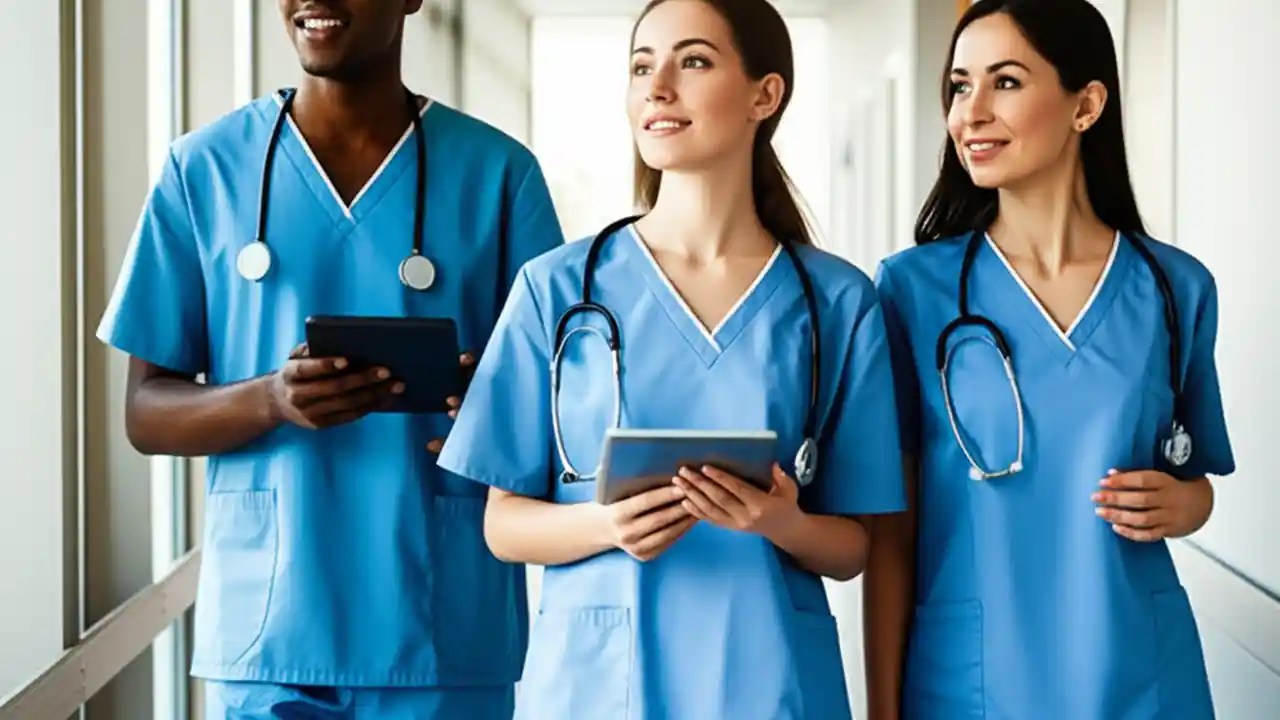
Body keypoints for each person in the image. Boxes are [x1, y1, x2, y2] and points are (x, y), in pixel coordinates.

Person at [437, 0, 905, 717]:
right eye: (640, 66)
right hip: (597, 689)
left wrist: (780, 522)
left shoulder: (837, 301)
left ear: (765, 95)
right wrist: (608, 527)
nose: (656, 88)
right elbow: (503, 524)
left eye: (692, 61)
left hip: (770, 682)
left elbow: (851, 548)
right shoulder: (557, 288)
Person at [96, 1, 563, 717]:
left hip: (439, 628)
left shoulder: (499, 175)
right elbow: (145, 413)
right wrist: (269, 400)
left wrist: (491, 407)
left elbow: (564, 410)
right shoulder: (205, 170)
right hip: (269, 634)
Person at [863, 1, 1235, 718]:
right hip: (973, 682)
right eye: (959, 86)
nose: (970, 112)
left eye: (1004, 82)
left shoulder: (1173, 288)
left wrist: (1184, 504)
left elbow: (1197, 482)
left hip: (1141, 675)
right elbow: (892, 531)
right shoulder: (913, 290)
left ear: (1086, 105)